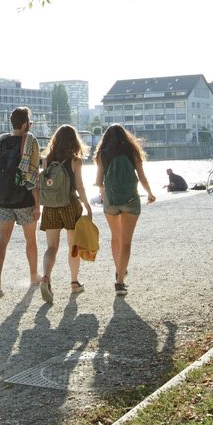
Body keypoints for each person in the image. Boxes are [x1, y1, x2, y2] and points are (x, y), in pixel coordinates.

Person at [0, 106, 41, 298]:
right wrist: (37, 204)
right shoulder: (30, 141)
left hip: (4, 200)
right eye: (30, 122)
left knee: (2, 241)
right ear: (25, 124)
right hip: (24, 199)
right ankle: (33, 276)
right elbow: (32, 175)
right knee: (30, 240)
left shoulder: (2, 140)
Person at [94, 124, 154, 296]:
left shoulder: (102, 154)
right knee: (126, 242)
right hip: (130, 200)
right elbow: (142, 177)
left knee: (115, 237)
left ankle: (118, 270)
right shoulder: (131, 151)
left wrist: (104, 191)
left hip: (111, 201)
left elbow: (99, 181)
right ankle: (120, 282)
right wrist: (149, 193)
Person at [37, 124, 93, 303]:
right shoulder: (75, 160)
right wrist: (87, 205)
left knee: (51, 247)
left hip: (51, 207)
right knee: (73, 246)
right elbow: (80, 186)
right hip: (69, 205)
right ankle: (74, 283)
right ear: (74, 140)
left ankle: (45, 277)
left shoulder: (46, 159)